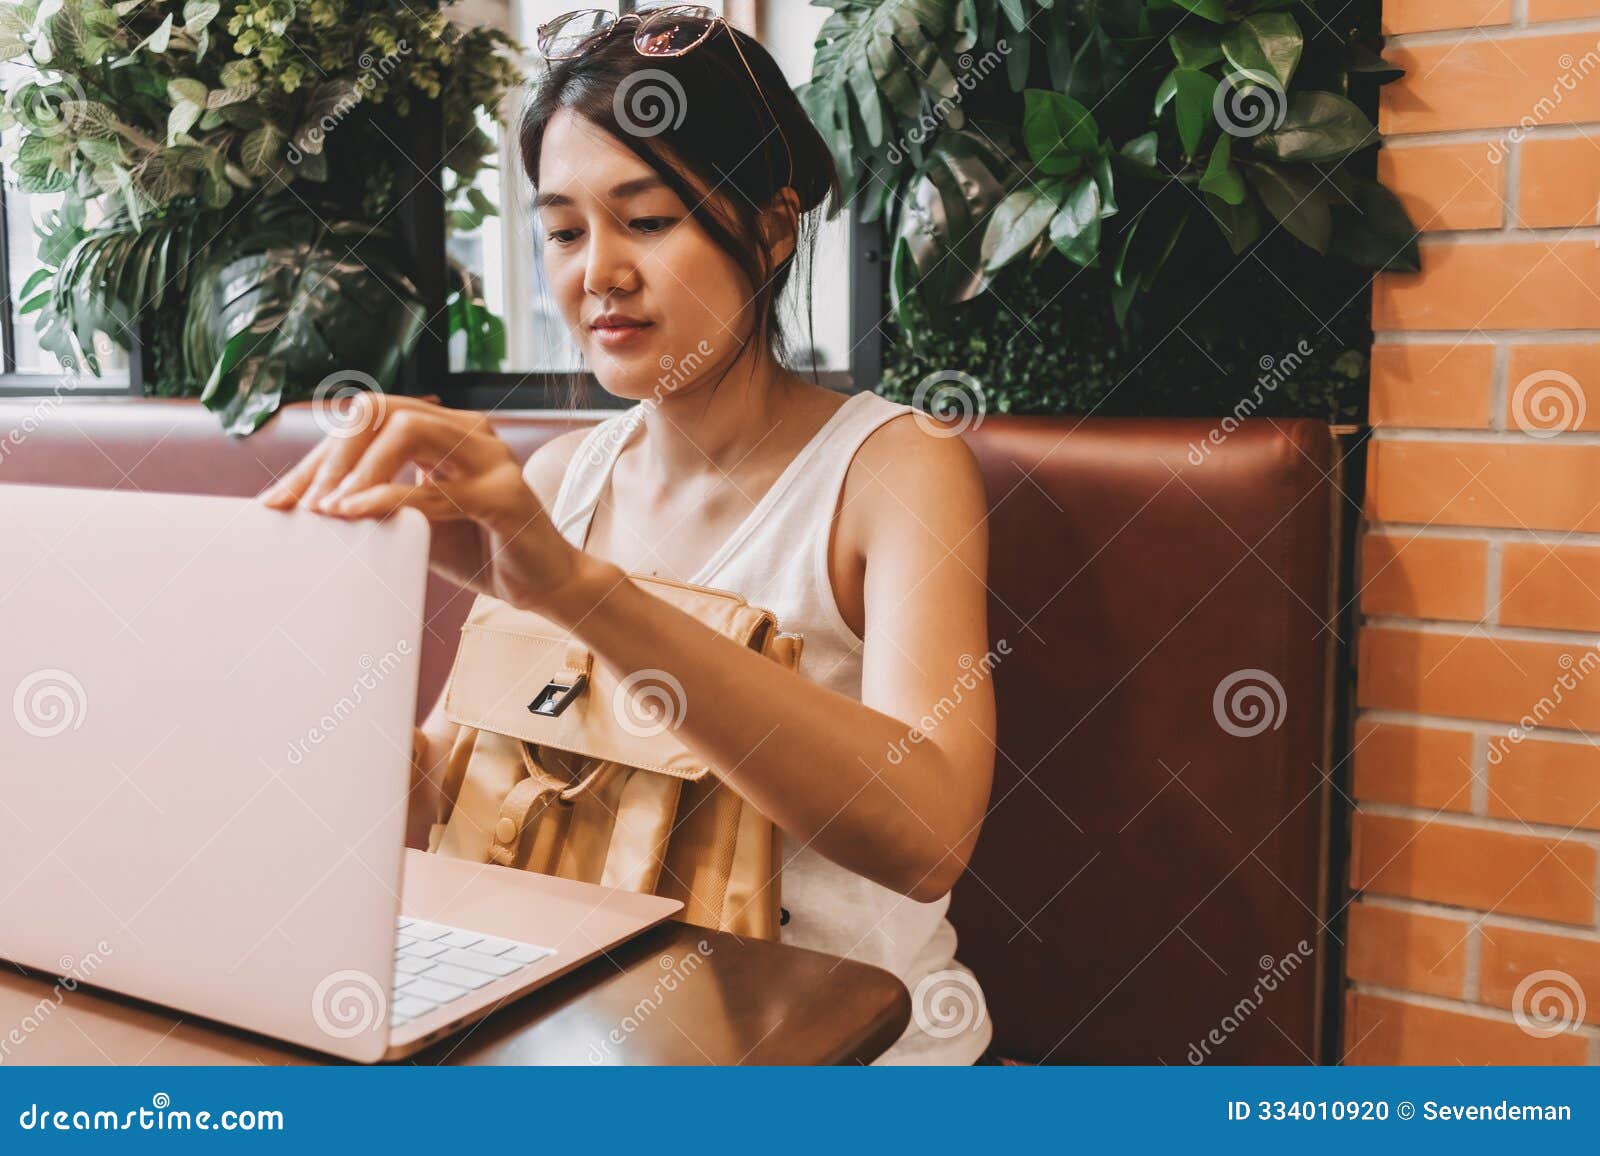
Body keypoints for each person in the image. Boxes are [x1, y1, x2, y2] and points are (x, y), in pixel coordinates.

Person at [259, 8, 995, 1065]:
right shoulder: (561, 477)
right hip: (585, 1035)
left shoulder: (895, 468)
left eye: (645, 220)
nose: (596, 271)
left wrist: (575, 589)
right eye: (563, 231)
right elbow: (446, 777)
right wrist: (267, 702)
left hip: (842, 1051)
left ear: (774, 227)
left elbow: (927, 837)